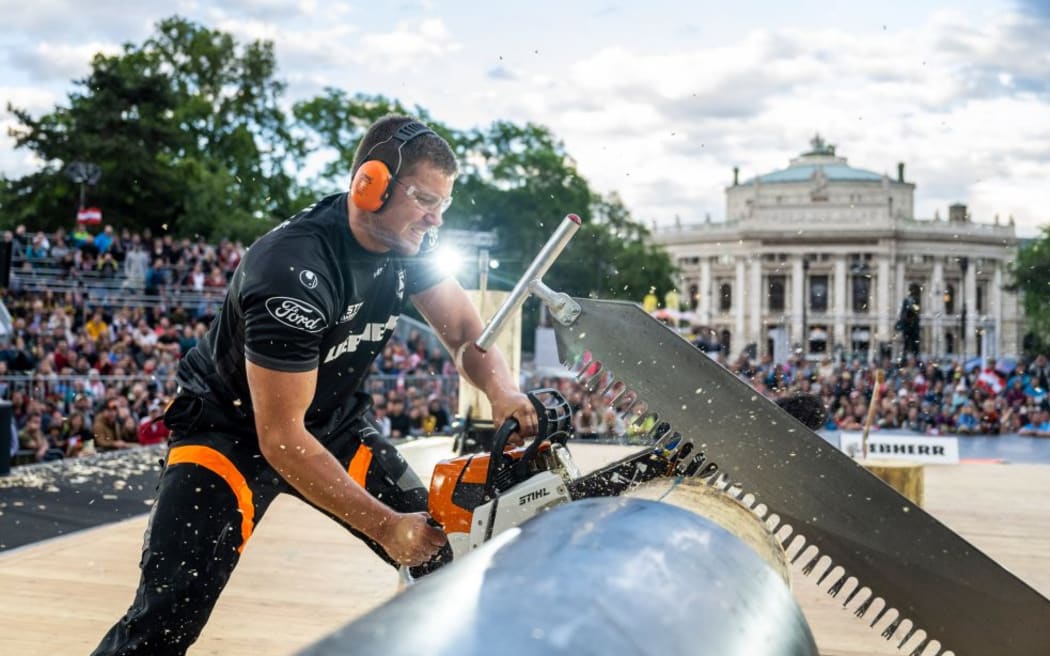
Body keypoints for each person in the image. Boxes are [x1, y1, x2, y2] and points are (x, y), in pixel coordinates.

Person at [93, 115, 538, 655]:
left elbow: (469, 335)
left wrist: (503, 391)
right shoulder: (293, 271)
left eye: (443, 205)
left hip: (332, 423)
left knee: (443, 550)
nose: (434, 219)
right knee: (165, 619)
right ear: (370, 184)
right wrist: (385, 526)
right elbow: (280, 439)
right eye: (425, 199)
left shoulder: (408, 247)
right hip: (227, 433)